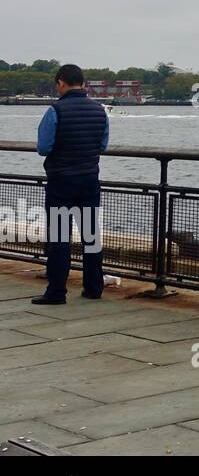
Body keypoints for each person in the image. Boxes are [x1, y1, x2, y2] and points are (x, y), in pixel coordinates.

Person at [33, 65, 110, 305]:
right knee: (90, 235)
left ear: (61, 83)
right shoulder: (100, 111)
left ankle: (57, 292)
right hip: (89, 180)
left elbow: (43, 147)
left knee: (59, 237)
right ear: (83, 84)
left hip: (61, 182)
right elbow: (102, 146)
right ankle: (94, 288)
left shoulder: (55, 111)